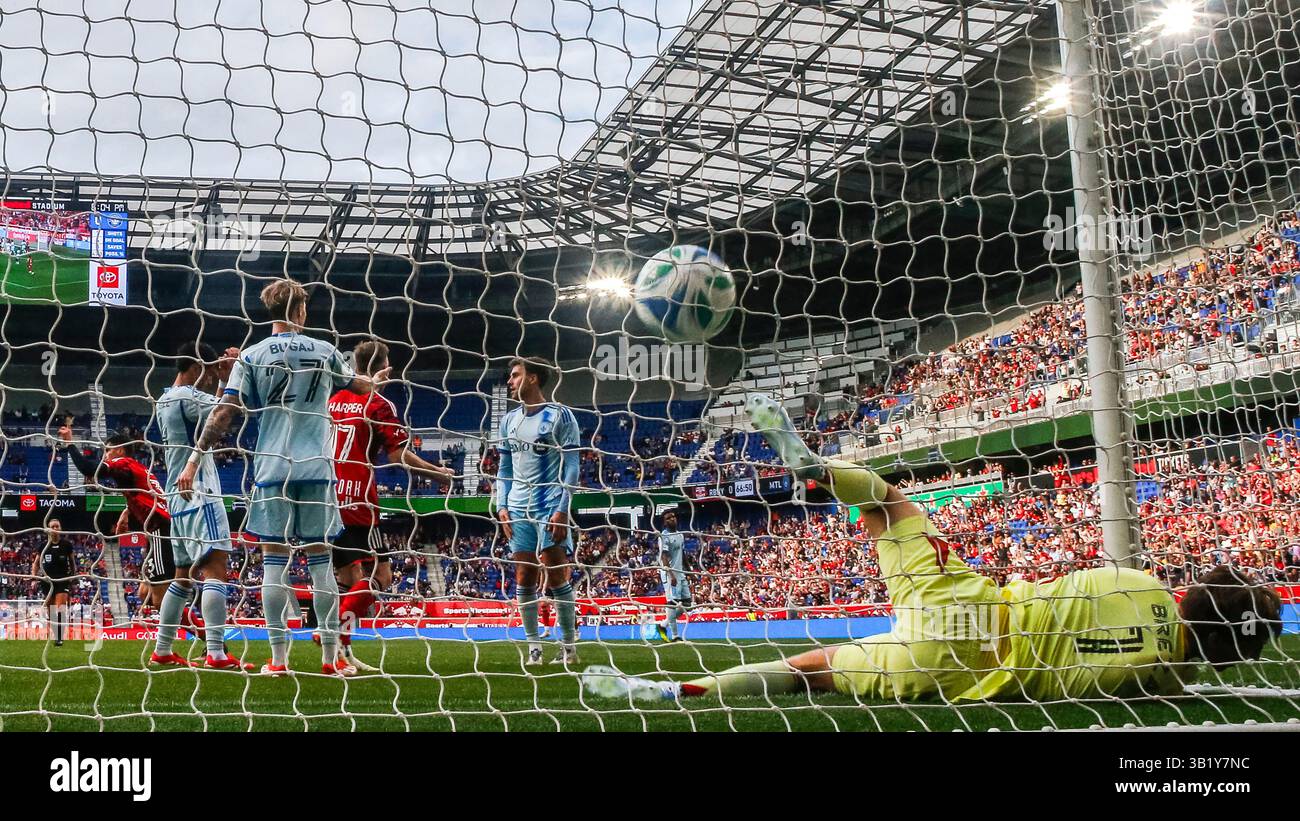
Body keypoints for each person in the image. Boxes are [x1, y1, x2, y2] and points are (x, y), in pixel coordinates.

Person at [583, 394, 1284, 703]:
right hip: (960, 674)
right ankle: (676, 690)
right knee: (812, 670)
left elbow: (1086, 583)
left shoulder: (1140, 578)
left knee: (888, 501)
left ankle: (816, 468)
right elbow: (1175, 666)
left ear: (1195, 590)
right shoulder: (1166, 681)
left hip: (971, 601)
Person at [176, 278, 387, 677]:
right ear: (301, 310)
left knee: (274, 563)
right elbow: (360, 386)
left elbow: (224, 413)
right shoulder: (325, 350)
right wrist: (376, 381)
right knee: (321, 562)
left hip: (272, 468)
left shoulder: (252, 355)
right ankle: (329, 660)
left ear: (269, 311)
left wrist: (193, 460)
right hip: (317, 469)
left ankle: (277, 660)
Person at [326, 339, 452, 672]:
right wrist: (437, 473)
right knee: (382, 572)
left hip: (327, 497)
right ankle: (336, 630)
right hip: (360, 500)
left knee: (346, 575)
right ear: (384, 367)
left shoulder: (333, 399)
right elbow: (397, 456)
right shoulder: (378, 403)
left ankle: (340, 653)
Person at [156, 340, 253, 671]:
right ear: (196, 368)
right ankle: (215, 653)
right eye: (209, 371)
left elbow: (211, 413)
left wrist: (223, 379)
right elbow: (225, 414)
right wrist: (237, 371)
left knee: (182, 576)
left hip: (174, 493)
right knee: (216, 567)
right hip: (198, 489)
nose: (212, 377)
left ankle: (163, 649)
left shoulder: (164, 398)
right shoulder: (190, 397)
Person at [58, 427, 180, 664]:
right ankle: (191, 642)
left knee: (160, 598)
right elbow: (143, 495)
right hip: (161, 529)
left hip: (160, 530)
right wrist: (126, 513)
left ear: (120, 450)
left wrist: (70, 444)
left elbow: (88, 468)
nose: (105, 454)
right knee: (146, 592)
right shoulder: (139, 469)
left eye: (107, 450)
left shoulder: (123, 462)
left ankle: (196, 644)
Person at [495, 357, 581, 666]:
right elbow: (504, 470)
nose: (510, 381)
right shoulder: (508, 421)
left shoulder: (561, 415)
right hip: (518, 507)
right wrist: (501, 505)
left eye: (515, 375)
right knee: (523, 574)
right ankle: (534, 648)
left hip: (549, 504)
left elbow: (572, 466)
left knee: (557, 575)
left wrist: (562, 508)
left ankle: (569, 647)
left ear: (532, 379)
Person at [31, 519, 76, 646]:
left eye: (57, 526)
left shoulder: (67, 545)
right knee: (51, 611)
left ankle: (60, 637)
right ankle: (57, 635)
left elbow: (72, 563)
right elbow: (35, 564)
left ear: (60, 528)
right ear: (48, 529)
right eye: (52, 526)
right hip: (47, 581)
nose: (55, 528)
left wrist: (72, 576)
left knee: (60, 608)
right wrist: (34, 578)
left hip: (62, 580)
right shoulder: (43, 546)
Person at [656, 510, 689, 642]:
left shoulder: (680, 535)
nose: (672, 519)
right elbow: (663, 556)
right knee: (672, 603)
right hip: (669, 573)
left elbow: (683, 553)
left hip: (680, 573)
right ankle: (675, 636)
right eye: (669, 518)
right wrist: (670, 574)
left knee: (687, 604)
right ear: (665, 522)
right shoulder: (663, 536)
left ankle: (662, 625)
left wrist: (689, 571)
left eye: (674, 516)